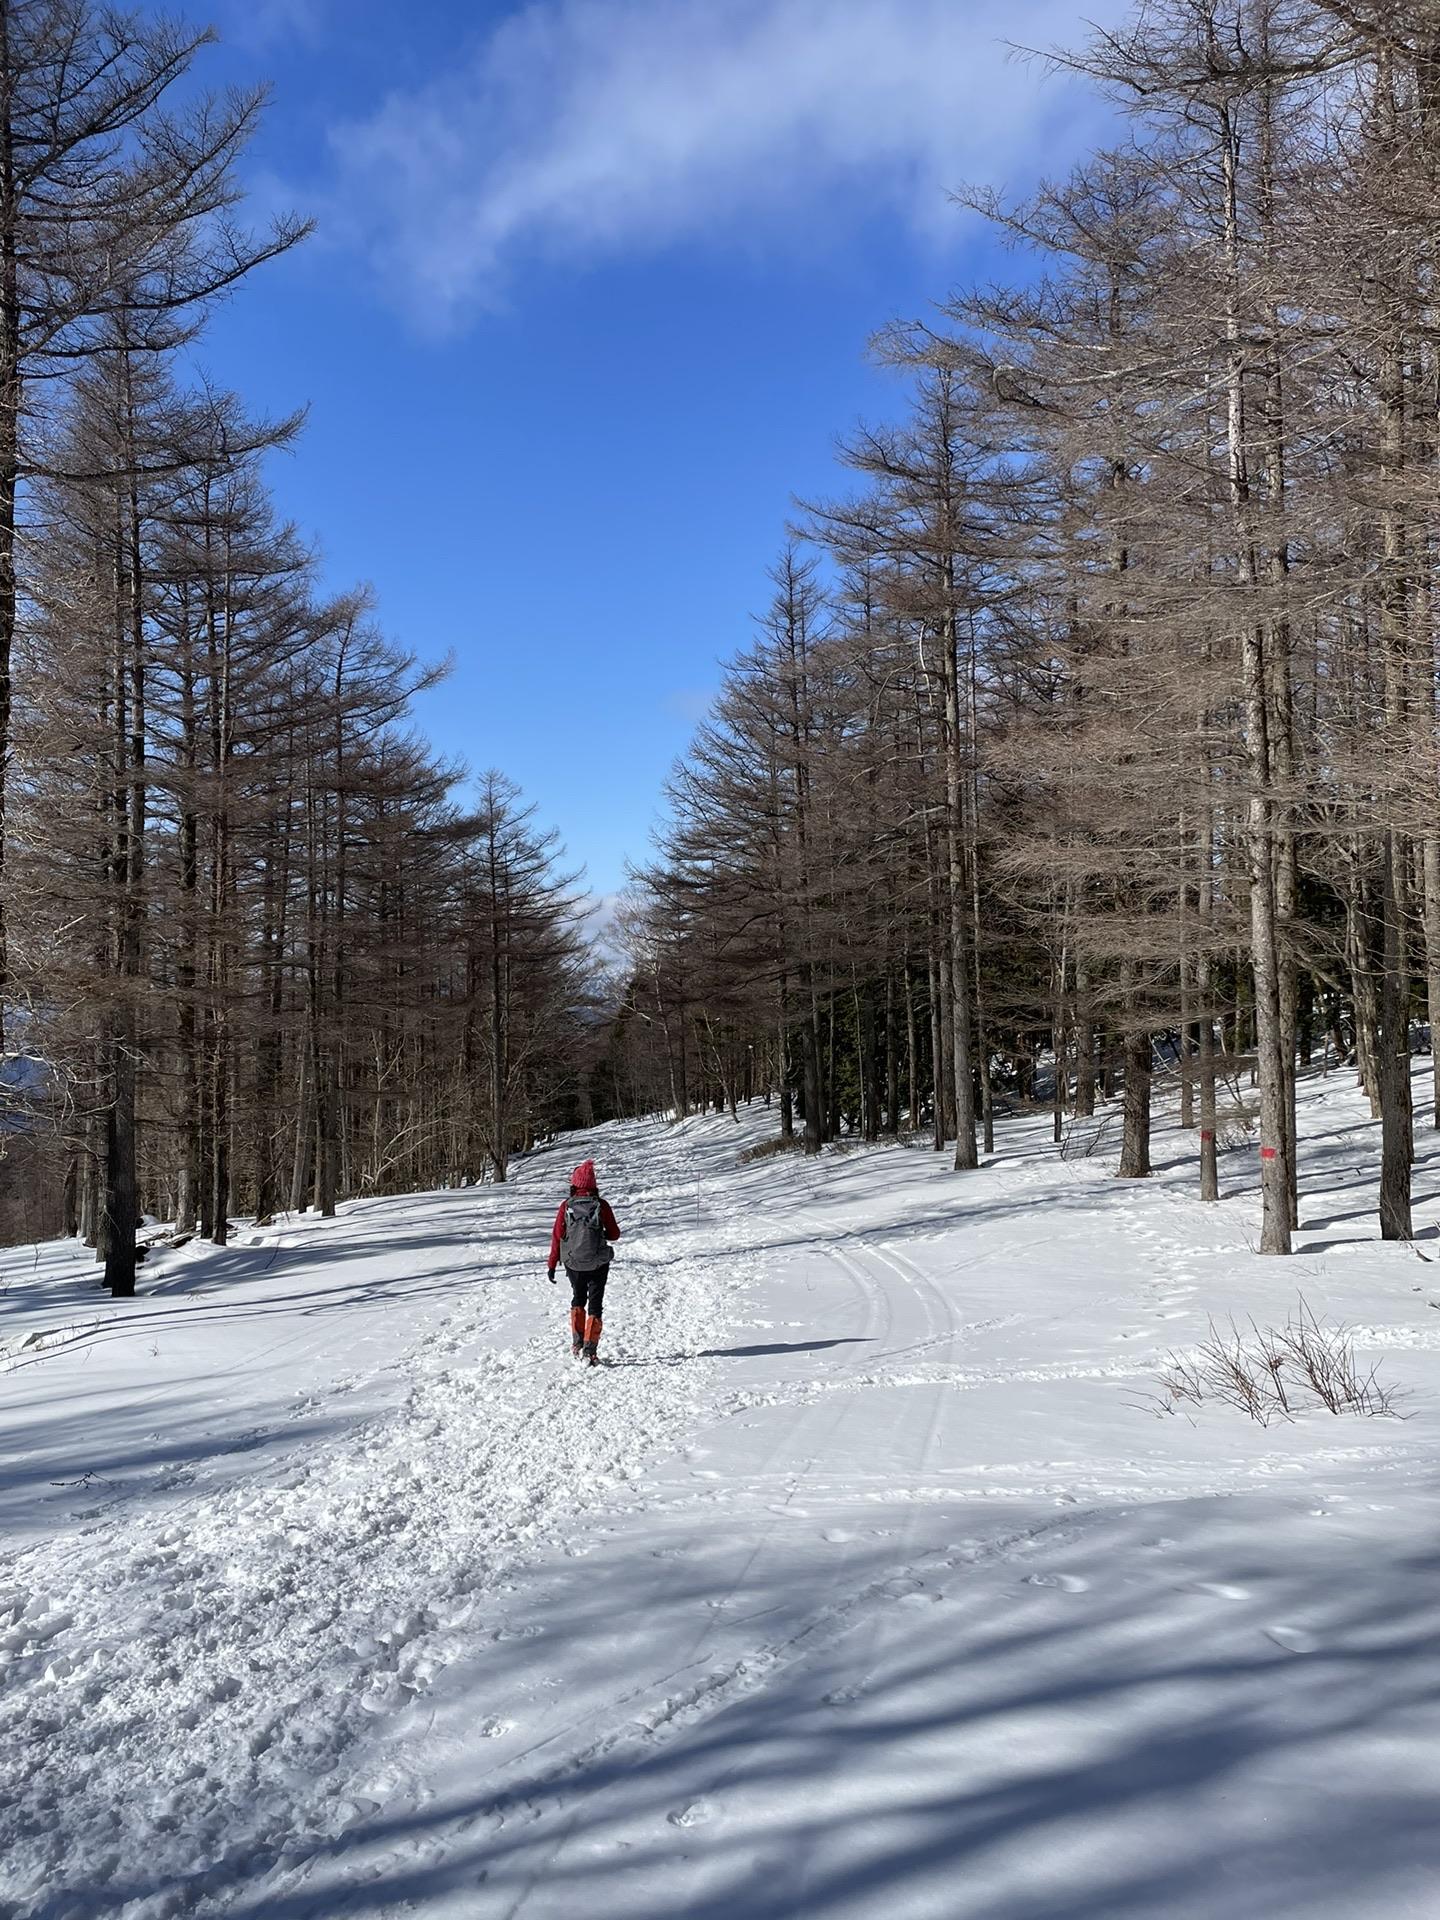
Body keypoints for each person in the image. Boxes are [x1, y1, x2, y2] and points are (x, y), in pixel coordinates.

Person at [547, 1160, 621, 1365]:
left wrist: (552, 1264)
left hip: (573, 1262)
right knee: (595, 1304)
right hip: (598, 1263)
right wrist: (600, 1232)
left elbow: (557, 1236)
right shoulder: (601, 1205)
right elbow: (615, 1234)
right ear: (593, 1185)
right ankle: (590, 1350)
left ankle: (577, 1343)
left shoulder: (566, 1206)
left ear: (574, 1184)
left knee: (578, 1298)